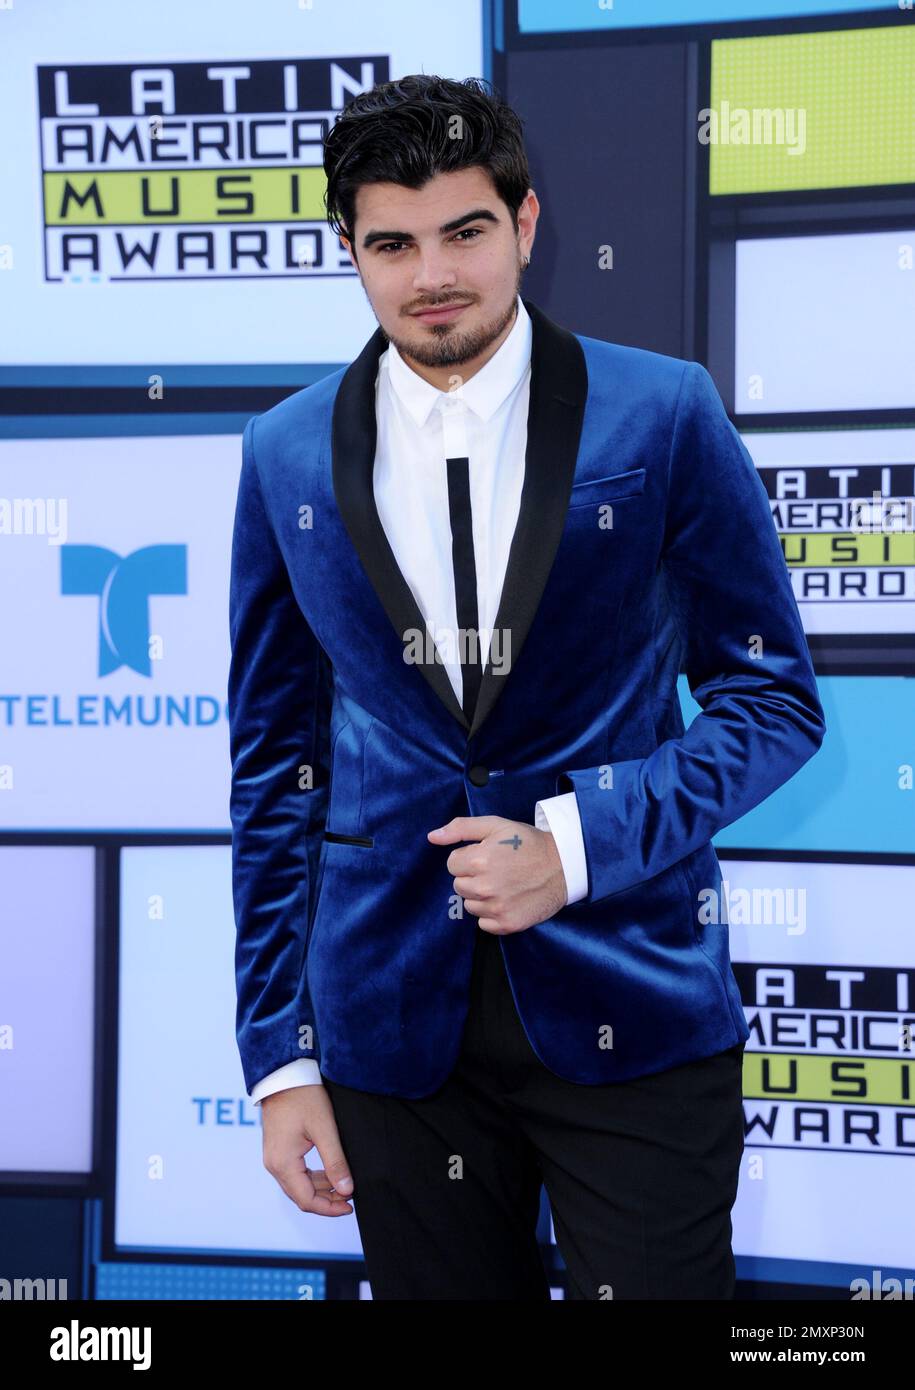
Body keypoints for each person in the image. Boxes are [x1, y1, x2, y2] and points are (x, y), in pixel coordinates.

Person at [227, 74, 826, 1300]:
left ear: (529, 225)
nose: (431, 272)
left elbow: (775, 703)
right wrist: (283, 1060)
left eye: (466, 231)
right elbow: (276, 767)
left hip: (633, 1007)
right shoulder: (283, 451)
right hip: (392, 1032)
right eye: (391, 242)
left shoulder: (662, 415)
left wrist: (576, 842)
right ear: (348, 250)